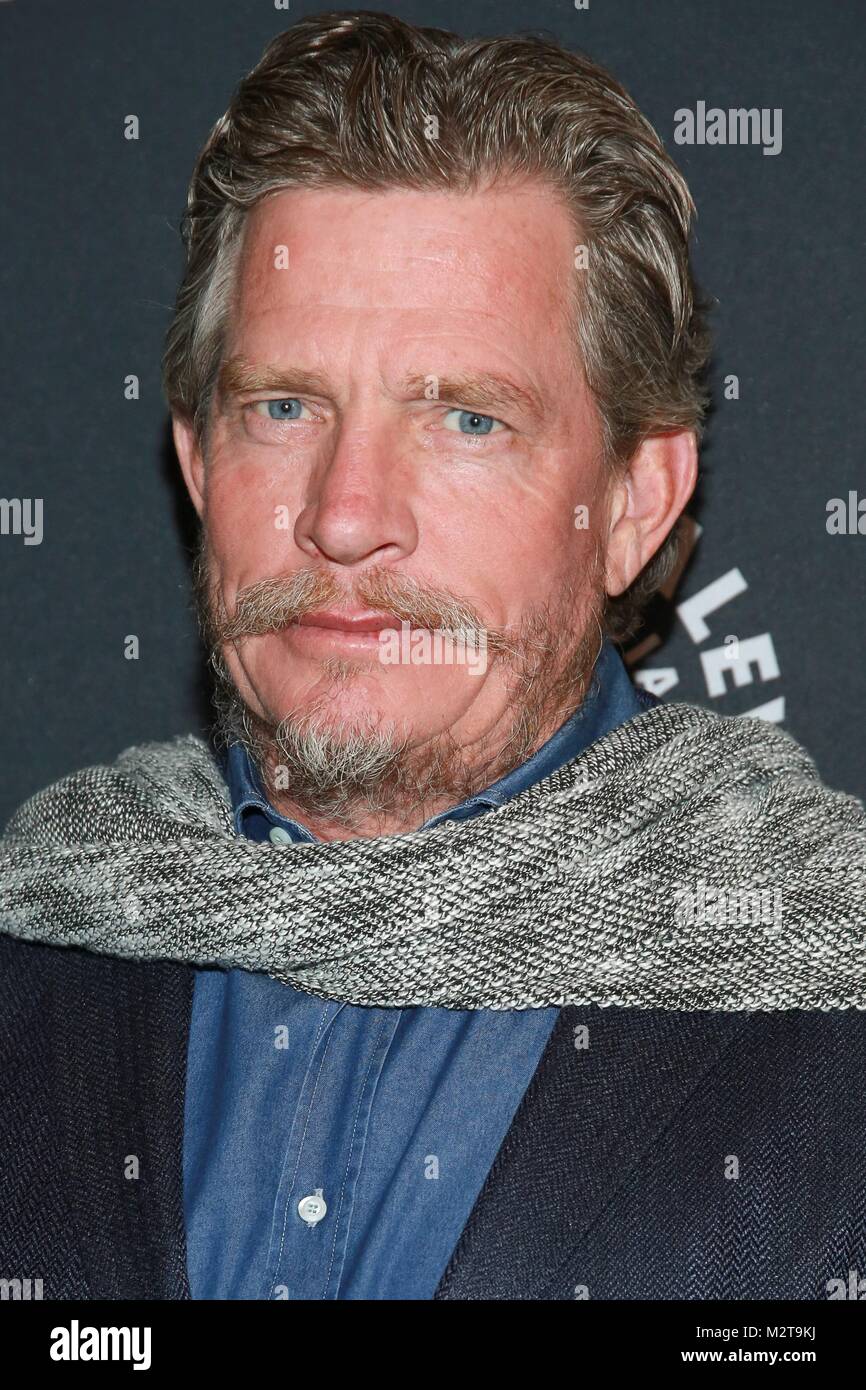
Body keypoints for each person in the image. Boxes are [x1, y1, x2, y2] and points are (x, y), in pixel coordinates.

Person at [2, 10, 865, 1302]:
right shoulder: (39, 934)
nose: (345, 511)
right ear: (195, 460)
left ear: (633, 499)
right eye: (283, 406)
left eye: (467, 417)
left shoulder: (824, 979)